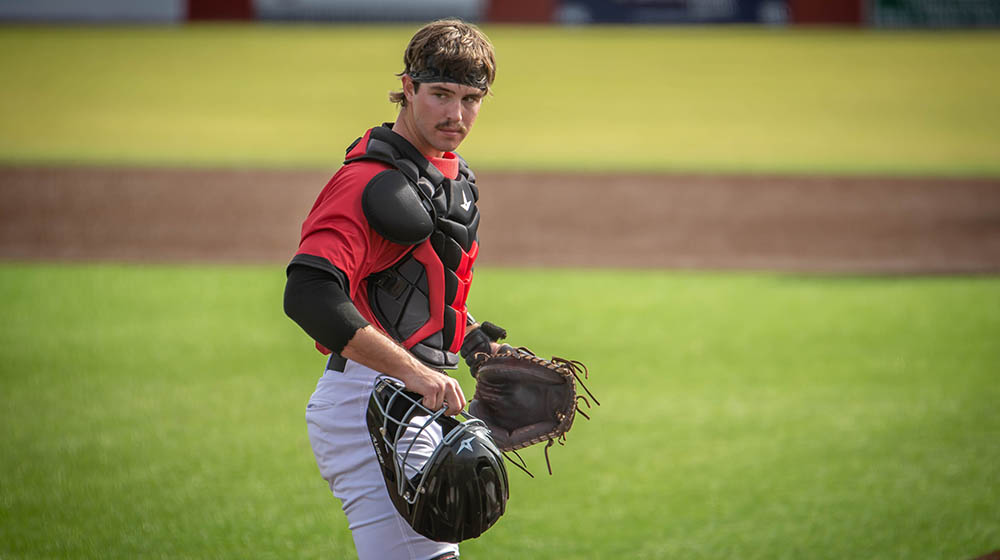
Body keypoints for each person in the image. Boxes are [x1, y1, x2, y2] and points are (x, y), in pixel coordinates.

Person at [283, 19, 502, 560]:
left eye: (471, 99)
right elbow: (309, 292)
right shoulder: (368, 183)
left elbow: (409, 288)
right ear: (407, 87)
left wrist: (473, 344)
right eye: (441, 95)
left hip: (408, 401)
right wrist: (412, 370)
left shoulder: (445, 176)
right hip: (370, 405)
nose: (456, 115)